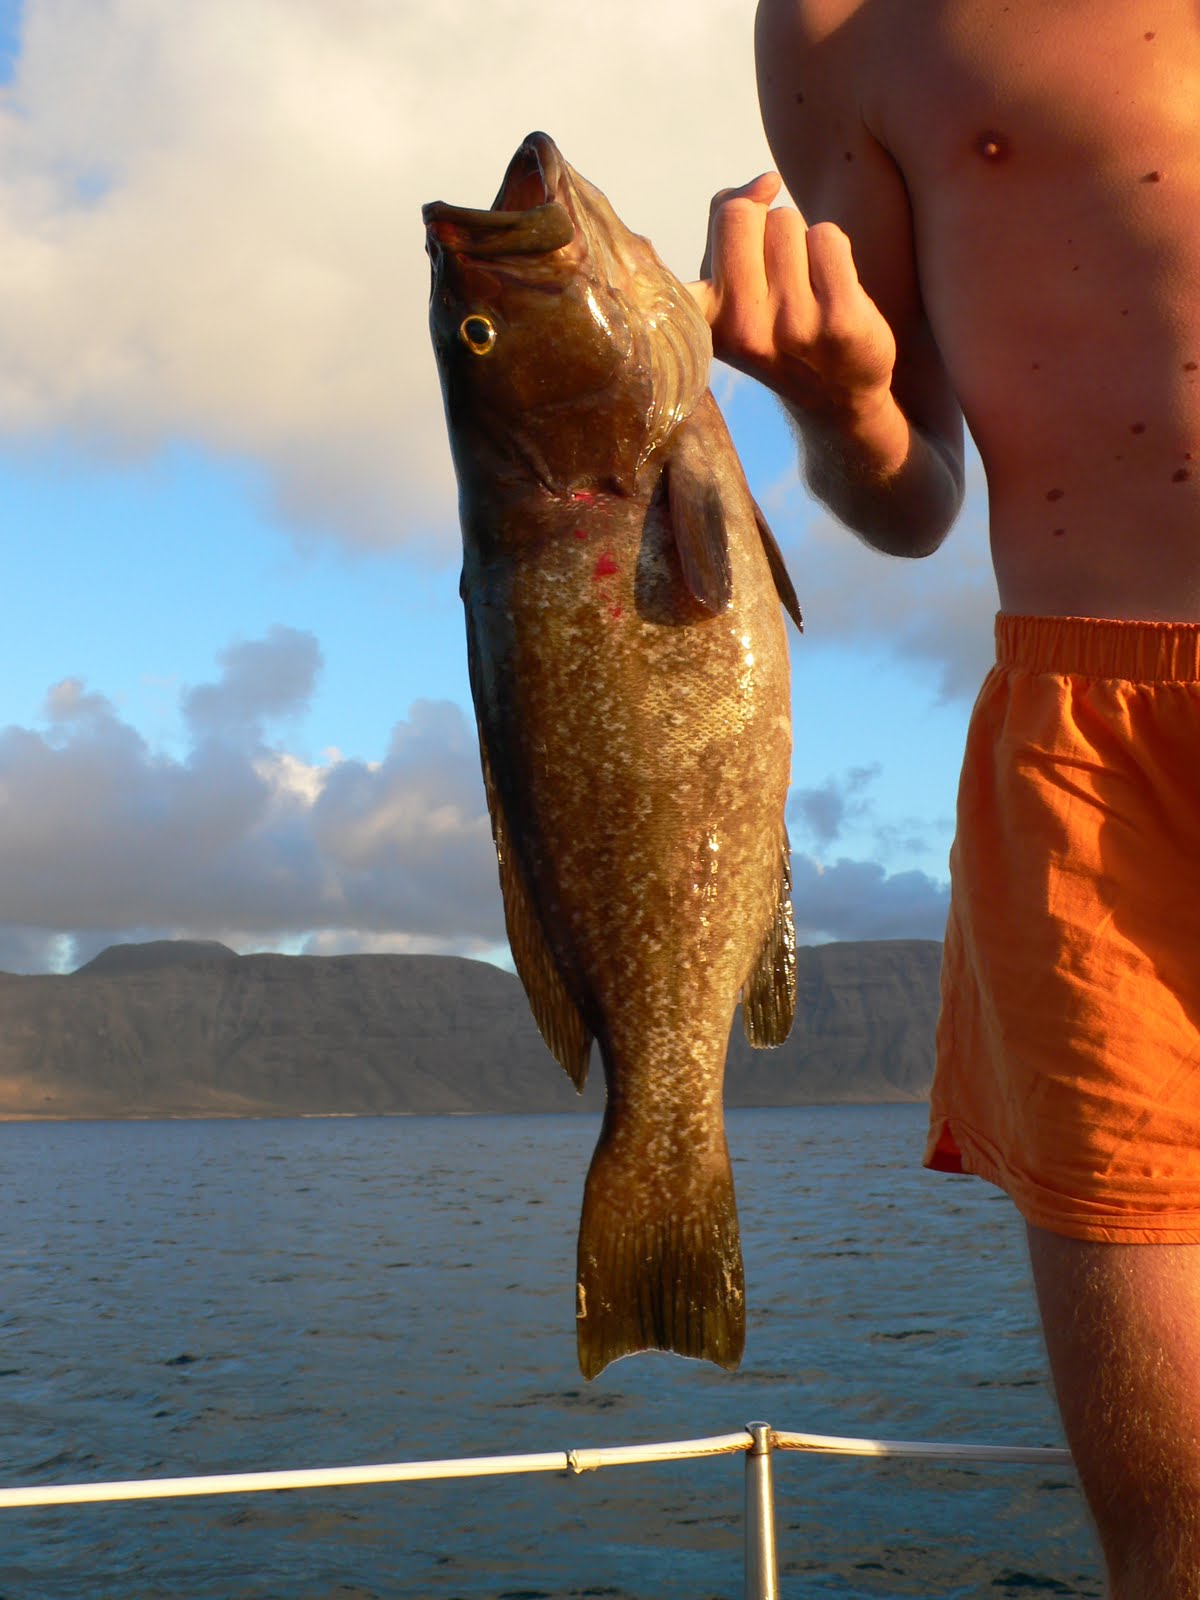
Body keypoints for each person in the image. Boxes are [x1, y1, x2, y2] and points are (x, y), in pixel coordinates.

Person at [691, 2, 1200, 1595]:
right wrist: (834, 405)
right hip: (1098, 751)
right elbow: (909, 496)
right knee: (1180, 1529)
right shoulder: (839, 21)